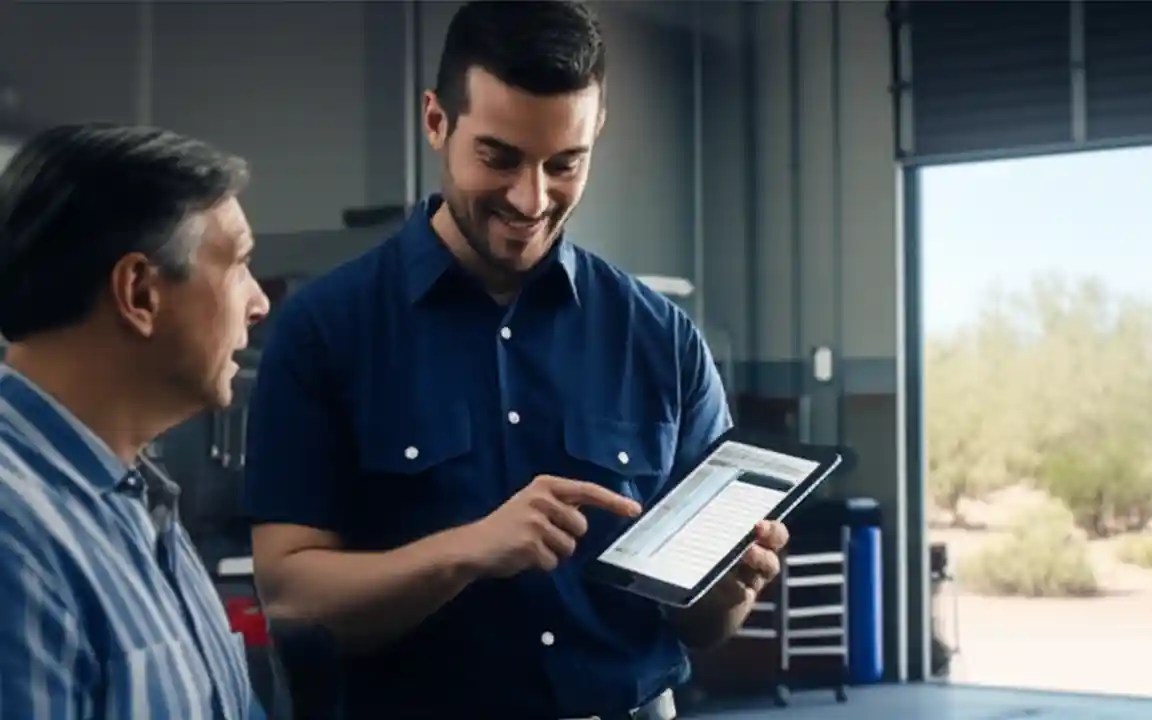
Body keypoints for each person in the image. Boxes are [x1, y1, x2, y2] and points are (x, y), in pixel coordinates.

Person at [244, 2, 789, 717]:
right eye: (499, 157)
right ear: (437, 122)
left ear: (597, 132)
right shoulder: (324, 332)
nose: (531, 199)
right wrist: (468, 551)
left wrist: (727, 592)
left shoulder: (664, 340)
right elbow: (291, 598)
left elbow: (702, 626)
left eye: (565, 164)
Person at [0, 123, 270, 719]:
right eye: (239, 264)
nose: (259, 303)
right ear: (140, 292)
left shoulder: (139, 503)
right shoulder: (14, 543)